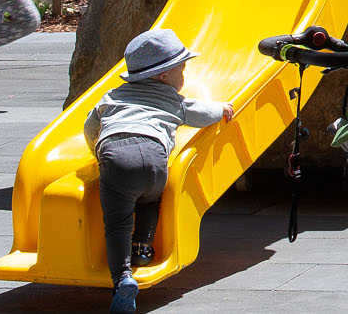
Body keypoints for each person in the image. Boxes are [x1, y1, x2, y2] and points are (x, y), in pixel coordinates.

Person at [84, 28, 235, 314]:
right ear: (164, 76)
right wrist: (222, 110)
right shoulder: (172, 100)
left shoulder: (112, 97)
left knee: (117, 223)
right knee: (150, 200)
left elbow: (91, 126)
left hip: (116, 157)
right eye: (182, 70)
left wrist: (96, 151)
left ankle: (123, 277)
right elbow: (200, 113)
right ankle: (142, 248)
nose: (184, 76)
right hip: (154, 158)